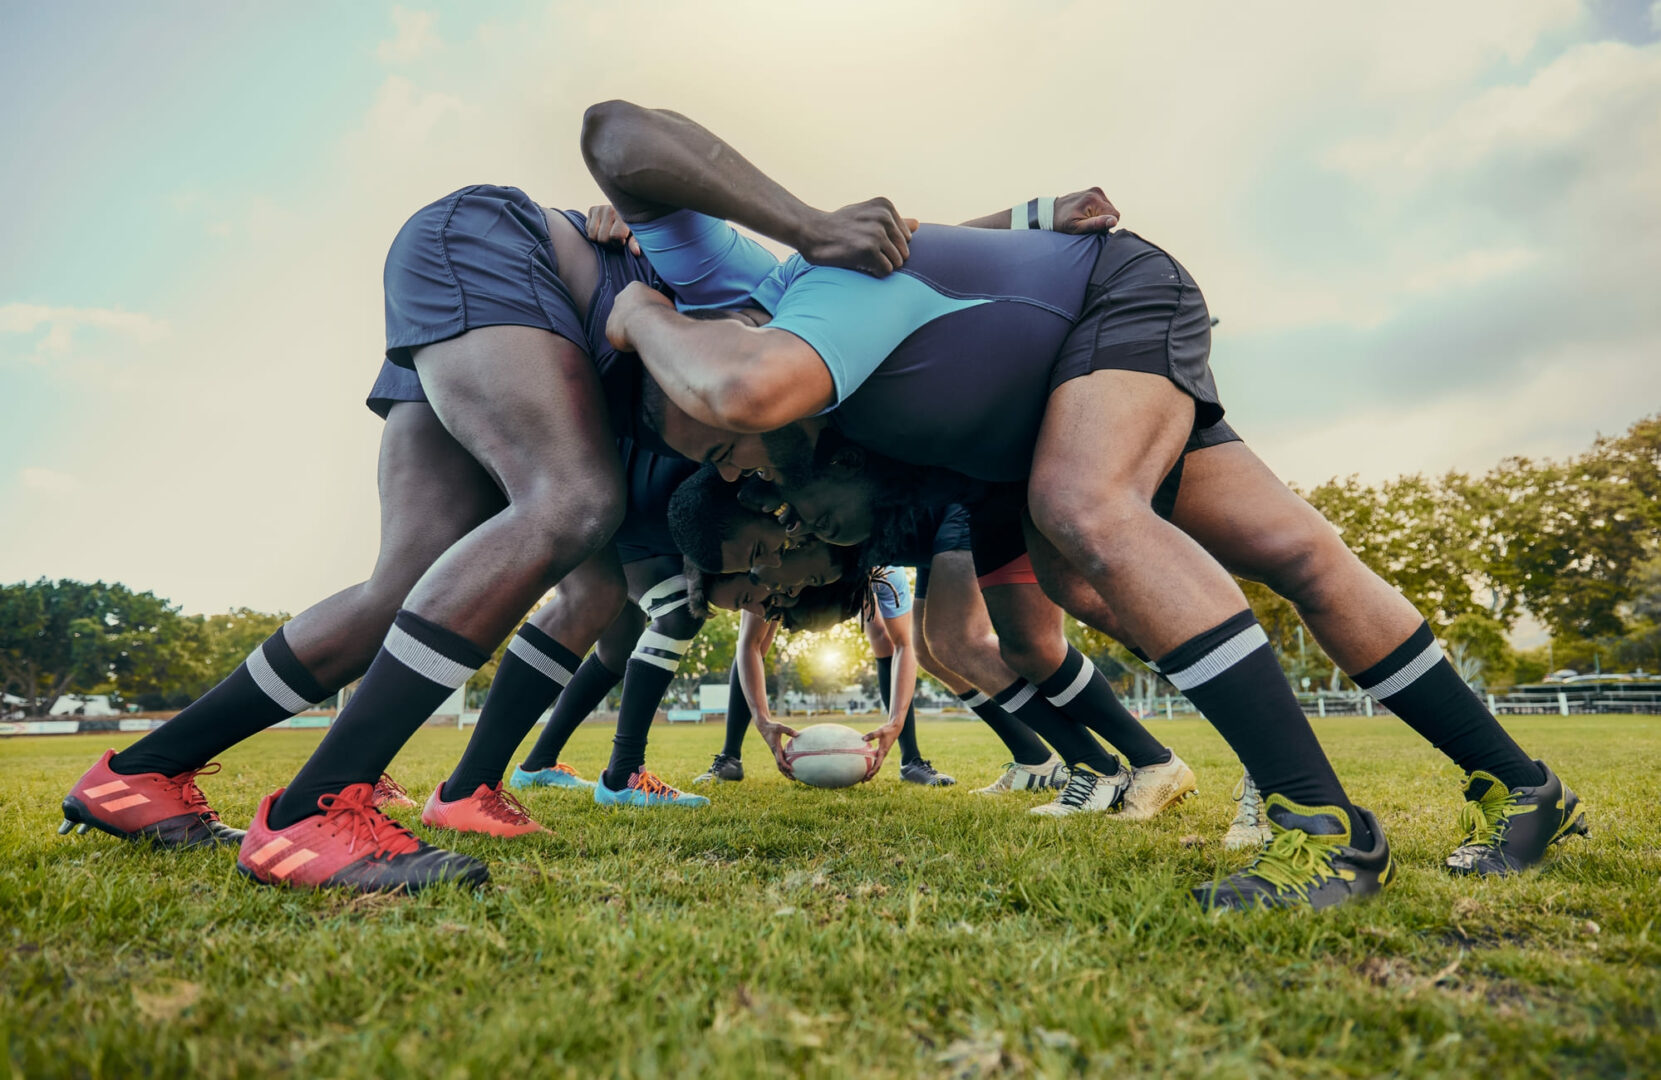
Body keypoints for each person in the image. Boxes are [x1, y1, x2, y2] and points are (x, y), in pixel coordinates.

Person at [584, 100, 1586, 908]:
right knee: (1280, 551)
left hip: (1106, 303)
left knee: (1084, 512)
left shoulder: (773, 297)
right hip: (1053, 361)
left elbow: (615, 132)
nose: (739, 468)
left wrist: (649, 301)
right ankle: (1520, 786)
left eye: (720, 447)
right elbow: (928, 271)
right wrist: (1014, 220)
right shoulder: (800, 428)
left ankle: (1321, 828)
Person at [59, 181, 911, 894]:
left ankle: (140, 775)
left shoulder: (720, 417)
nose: (743, 482)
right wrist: (633, 220)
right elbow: (891, 244)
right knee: (573, 502)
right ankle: (315, 809)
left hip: (506, 303)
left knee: (415, 586)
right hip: (501, 256)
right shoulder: (785, 327)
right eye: (767, 477)